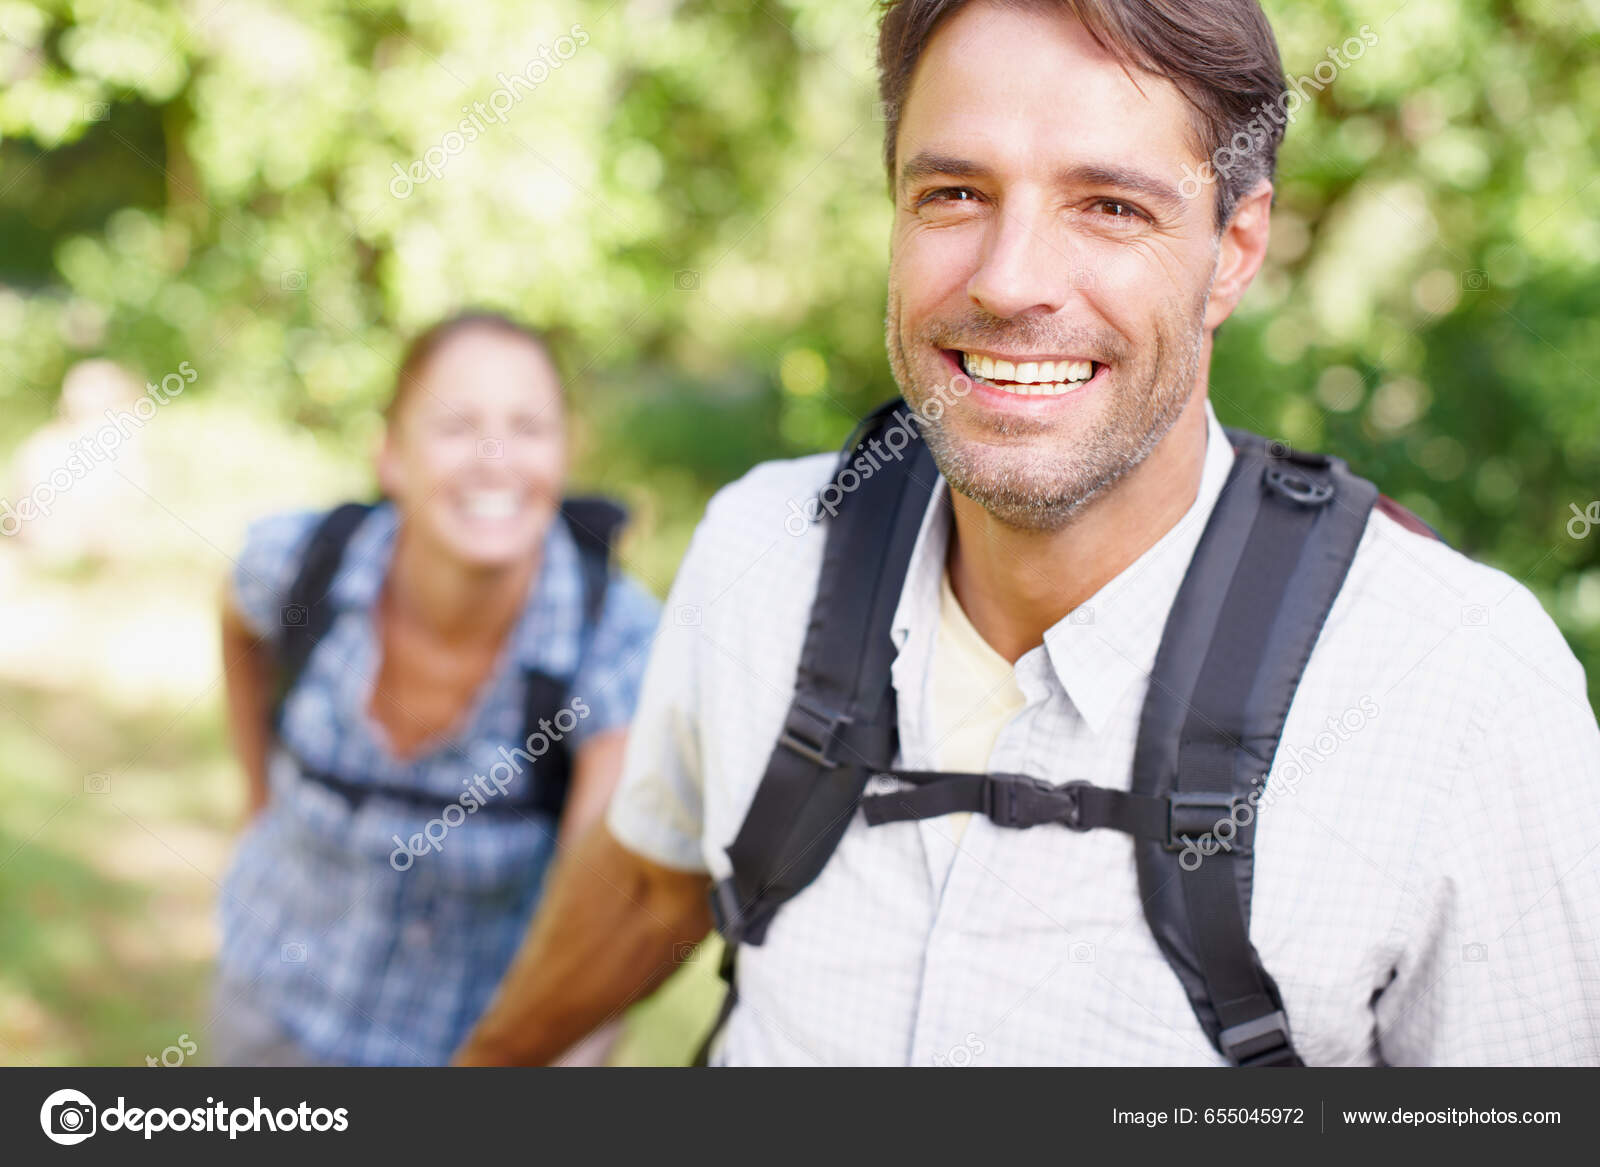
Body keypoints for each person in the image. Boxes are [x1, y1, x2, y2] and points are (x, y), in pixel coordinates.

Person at [454, 0, 1600, 1066]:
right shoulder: (762, 545)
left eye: (1110, 206)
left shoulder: (1461, 689)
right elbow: (653, 886)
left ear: (1232, 249)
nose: (1009, 282)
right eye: (953, 193)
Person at [212, 311, 660, 1065]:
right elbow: (235, 609)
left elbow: (602, 907)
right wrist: (257, 800)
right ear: (391, 455)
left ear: (563, 454)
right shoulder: (300, 562)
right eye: (456, 426)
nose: (495, 460)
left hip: (465, 1050)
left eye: (528, 427)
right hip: (270, 1012)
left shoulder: (613, 641)